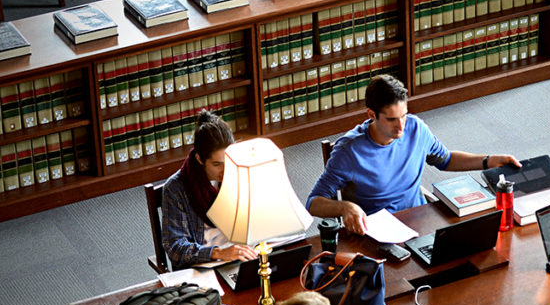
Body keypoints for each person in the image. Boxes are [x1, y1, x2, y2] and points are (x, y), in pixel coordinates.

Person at [306, 74, 520, 234]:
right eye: (391, 119)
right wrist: (344, 207)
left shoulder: (416, 128)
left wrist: (488, 161)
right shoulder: (348, 151)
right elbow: (313, 202)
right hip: (380, 235)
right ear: (371, 115)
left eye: (404, 116)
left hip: (421, 221)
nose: (401, 127)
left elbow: (445, 159)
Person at [161, 110, 257, 270]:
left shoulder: (241, 172)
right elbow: (175, 248)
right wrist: (219, 253)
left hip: (243, 257)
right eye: (217, 164)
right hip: (204, 266)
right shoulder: (176, 188)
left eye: (229, 161)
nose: (226, 171)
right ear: (199, 159)